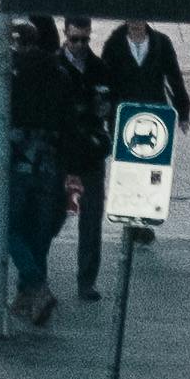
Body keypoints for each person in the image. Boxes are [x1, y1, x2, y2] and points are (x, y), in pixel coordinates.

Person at [6, 15, 97, 326]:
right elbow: (69, 119)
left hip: (19, 158)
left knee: (8, 227)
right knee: (39, 231)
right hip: (51, 161)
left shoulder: (10, 71)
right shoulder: (58, 72)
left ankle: (34, 285)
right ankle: (28, 297)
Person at [59, 15, 112, 302]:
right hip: (64, 147)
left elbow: (104, 106)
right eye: (74, 39)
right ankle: (35, 279)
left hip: (88, 149)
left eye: (84, 40)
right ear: (65, 34)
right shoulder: (55, 65)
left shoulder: (98, 68)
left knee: (91, 219)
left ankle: (86, 280)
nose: (79, 45)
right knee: (50, 214)